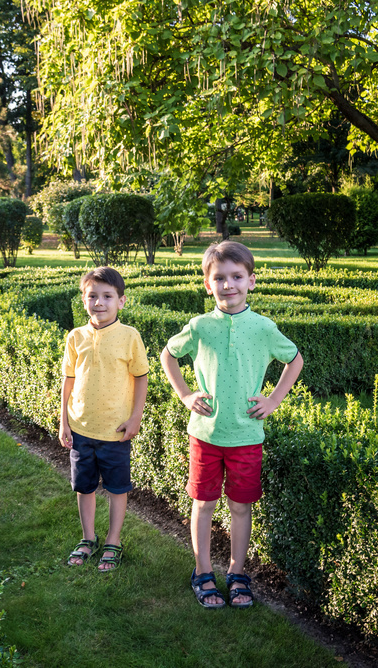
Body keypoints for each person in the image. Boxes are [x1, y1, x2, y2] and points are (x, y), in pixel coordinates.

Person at [160, 241, 303, 608]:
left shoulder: (264, 327)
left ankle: (238, 573)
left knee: (241, 506)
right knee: (204, 504)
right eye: (219, 278)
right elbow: (168, 355)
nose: (228, 285)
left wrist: (274, 399)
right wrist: (186, 395)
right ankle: (203, 571)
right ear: (207, 284)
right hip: (205, 435)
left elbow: (295, 360)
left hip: (246, 436)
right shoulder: (199, 326)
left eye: (237, 277)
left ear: (251, 281)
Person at [60, 266, 149, 572]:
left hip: (116, 430)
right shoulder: (75, 337)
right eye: (92, 296)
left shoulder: (129, 337)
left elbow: (141, 377)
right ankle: (88, 538)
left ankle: (113, 540)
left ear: (121, 301)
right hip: (81, 428)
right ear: (83, 300)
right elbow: (68, 381)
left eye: (107, 296)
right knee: (84, 487)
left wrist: (135, 417)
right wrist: (63, 421)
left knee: (116, 488)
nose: (99, 302)